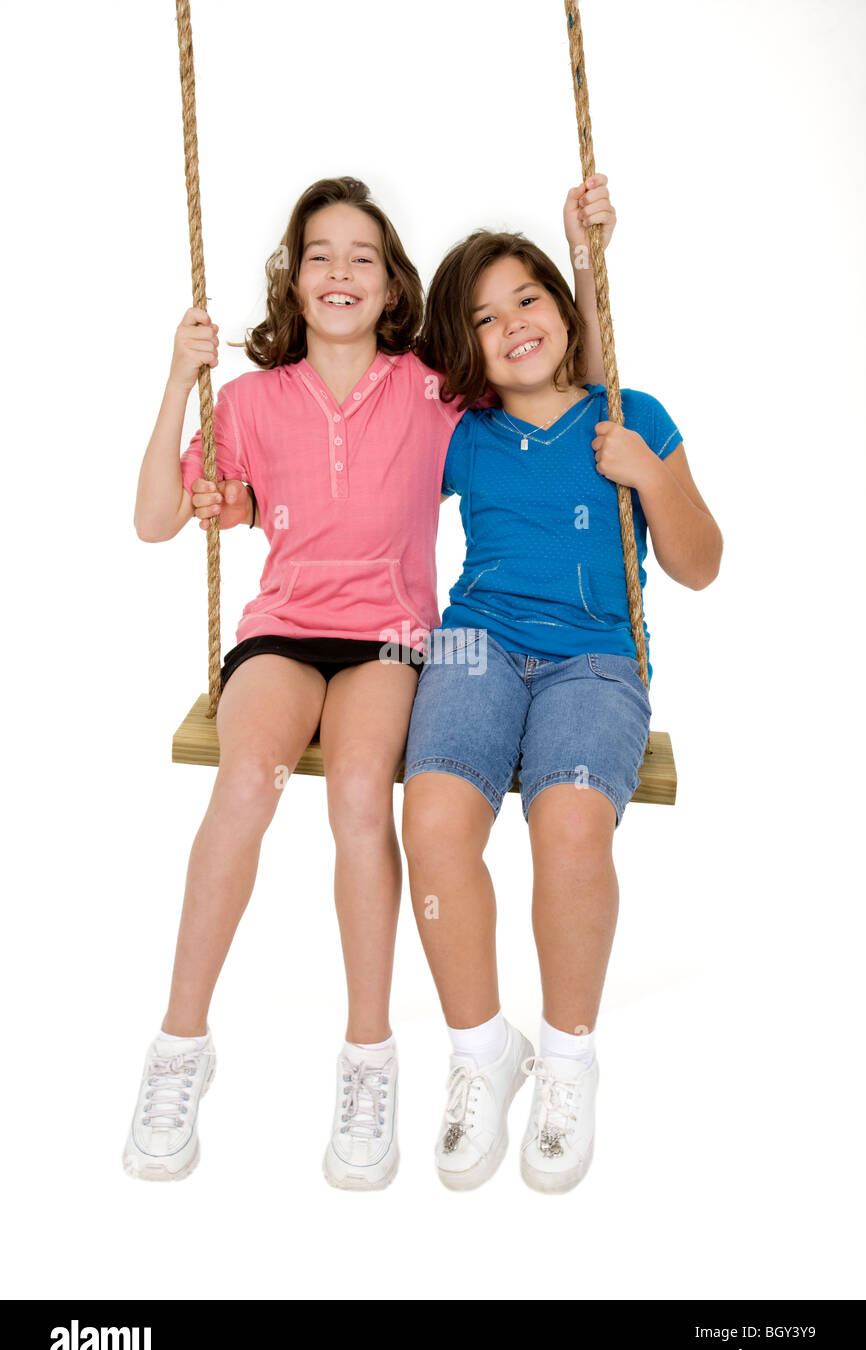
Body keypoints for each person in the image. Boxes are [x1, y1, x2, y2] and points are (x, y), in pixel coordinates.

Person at [124, 174, 612, 1187]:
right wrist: (181, 374)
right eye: (317, 255)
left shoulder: (430, 389)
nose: (338, 271)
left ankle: (368, 1056)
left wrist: (581, 266)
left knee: (360, 798)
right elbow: (154, 518)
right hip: (282, 635)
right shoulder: (251, 400)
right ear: (292, 282)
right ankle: (179, 1043)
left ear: (390, 284)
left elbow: (564, 392)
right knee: (244, 783)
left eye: (360, 255)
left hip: (392, 637)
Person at [399, 229, 723, 1193]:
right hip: (475, 638)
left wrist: (647, 472)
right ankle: (481, 1049)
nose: (513, 326)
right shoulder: (462, 431)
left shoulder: (632, 415)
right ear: (467, 349)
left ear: (565, 305)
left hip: (598, 654)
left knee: (571, 827)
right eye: (485, 319)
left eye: (528, 300)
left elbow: (701, 565)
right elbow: (366, 473)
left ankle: (569, 1061)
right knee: (433, 817)